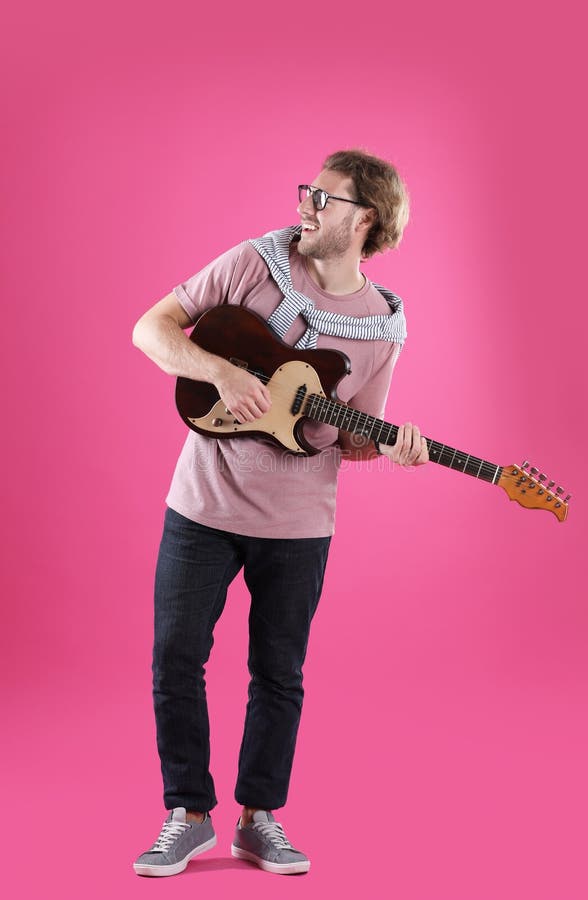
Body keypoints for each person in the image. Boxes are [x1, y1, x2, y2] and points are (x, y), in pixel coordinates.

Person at [131, 149, 429, 878]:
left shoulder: (382, 327)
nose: (306, 205)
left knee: (278, 673)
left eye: (324, 199)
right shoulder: (252, 264)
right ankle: (187, 814)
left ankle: (259, 819)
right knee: (176, 659)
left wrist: (391, 447)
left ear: (367, 219)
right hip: (201, 505)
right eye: (307, 191)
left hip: (298, 527)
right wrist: (222, 370)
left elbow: (354, 437)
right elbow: (152, 330)